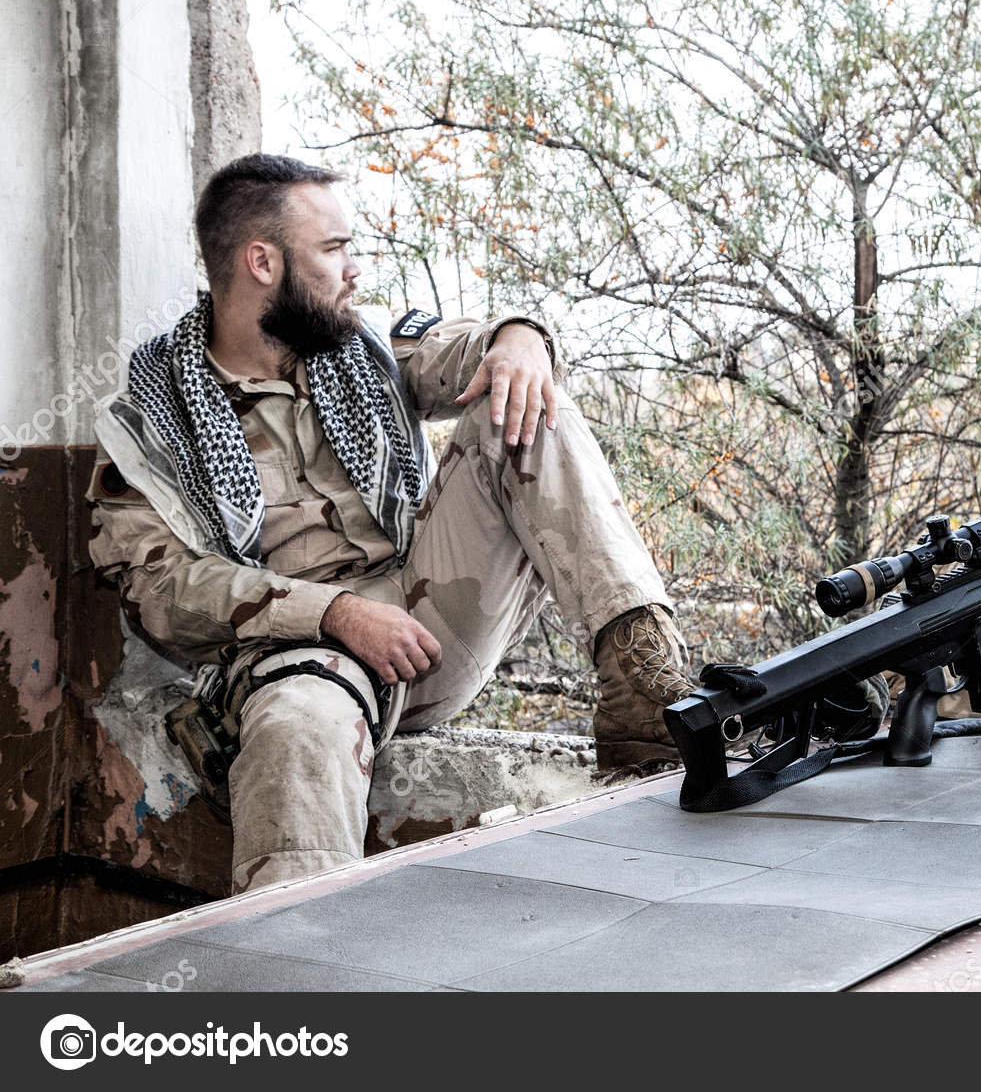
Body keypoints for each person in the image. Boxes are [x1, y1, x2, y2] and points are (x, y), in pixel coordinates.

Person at [86, 153, 696, 893]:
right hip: (300, 661)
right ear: (262, 262)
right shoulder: (153, 420)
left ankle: (647, 694)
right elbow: (162, 592)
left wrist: (519, 337)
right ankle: (309, 973)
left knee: (527, 408)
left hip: (426, 623)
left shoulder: (357, 348)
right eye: (336, 249)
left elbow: (468, 353)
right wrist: (335, 613)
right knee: (293, 729)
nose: (355, 270)